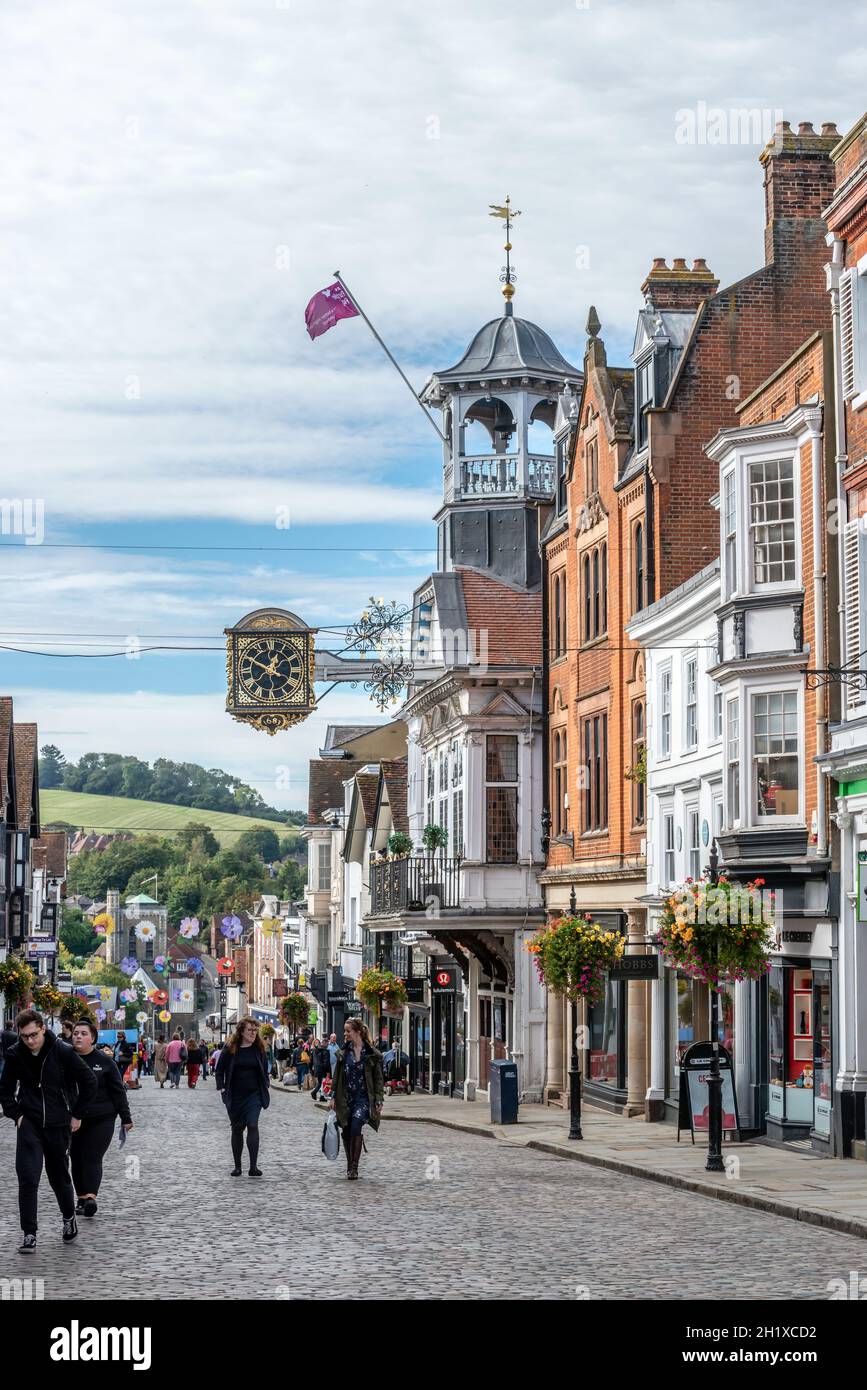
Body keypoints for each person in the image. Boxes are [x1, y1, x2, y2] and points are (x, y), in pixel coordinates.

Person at [0, 1008, 98, 1252]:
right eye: (25, 1036)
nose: (30, 1040)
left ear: (43, 1028)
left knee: (58, 1177)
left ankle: (68, 1218)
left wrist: (77, 1114)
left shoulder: (62, 1051)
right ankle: (29, 1234)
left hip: (57, 1122)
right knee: (28, 1177)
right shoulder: (15, 1054)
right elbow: (5, 1089)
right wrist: (16, 1114)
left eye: (33, 1034)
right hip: (29, 1122)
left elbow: (89, 1081)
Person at [70, 1019, 133, 1217]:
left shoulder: (105, 1062)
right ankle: (80, 1197)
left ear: (93, 1039)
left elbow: (118, 1091)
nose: (78, 1036)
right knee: (76, 1158)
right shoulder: (66, 1059)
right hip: (72, 1118)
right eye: (76, 1033)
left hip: (101, 1117)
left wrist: (126, 1117)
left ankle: (90, 1198)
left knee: (92, 1156)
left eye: (83, 1033)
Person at [328, 1017, 384, 1180]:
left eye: (348, 1031)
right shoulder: (343, 1053)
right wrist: (332, 1097)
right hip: (345, 1098)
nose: (344, 1034)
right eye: (344, 1031)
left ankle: (354, 1167)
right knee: (346, 1131)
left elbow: (378, 1079)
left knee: (356, 1127)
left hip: (364, 1098)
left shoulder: (371, 1054)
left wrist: (379, 1099)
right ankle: (349, 1163)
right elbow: (336, 1077)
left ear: (358, 1032)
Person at [215, 1017, 270, 1178]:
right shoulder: (230, 1048)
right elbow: (219, 1070)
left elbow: (264, 1069)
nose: (253, 1033)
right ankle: (237, 1166)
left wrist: (265, 1084)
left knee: (253, 1125)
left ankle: (253, 1166)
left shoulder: (258, 1048)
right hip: (235, 1095)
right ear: (241, 1031)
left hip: (254, 1095)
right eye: (250, 1030)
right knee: (237, 1129)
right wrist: (222, 1088)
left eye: (255, 1030)